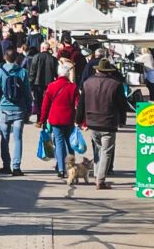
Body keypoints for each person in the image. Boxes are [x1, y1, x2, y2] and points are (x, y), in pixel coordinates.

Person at [77, 58, 127, 189]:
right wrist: (122, 120)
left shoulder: (88, 83)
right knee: (106, 152)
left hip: (92, 121)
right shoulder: (115, 84)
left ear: (97, 69)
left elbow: (82, 103)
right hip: (109, 122)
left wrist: (79, 120)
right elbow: (122, 105)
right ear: (109, 71)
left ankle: (97, 175)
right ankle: (100, 179)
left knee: (98, 149)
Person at [0, 52, 33, 176]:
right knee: (18, 138)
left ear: (5, 57)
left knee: (4, 138)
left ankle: (6, 165)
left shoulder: (0, 72)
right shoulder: (22, 72)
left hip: (4, 108)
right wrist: (28, 107)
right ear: (16, 58)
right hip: (19, 109)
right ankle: (16, 167)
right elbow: (27, 92)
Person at [38, 58, 79, 179]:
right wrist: (80, 120)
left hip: (55, 120)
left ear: (58, 74)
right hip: (69, 119)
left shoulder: (51, 86)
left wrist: (42, 119)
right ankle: (72, 168)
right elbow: (78, 104)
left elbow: (45, 105)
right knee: (70, 143)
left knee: (59, 143)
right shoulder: (73, 87)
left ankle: (61, 169)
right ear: (67, 75)